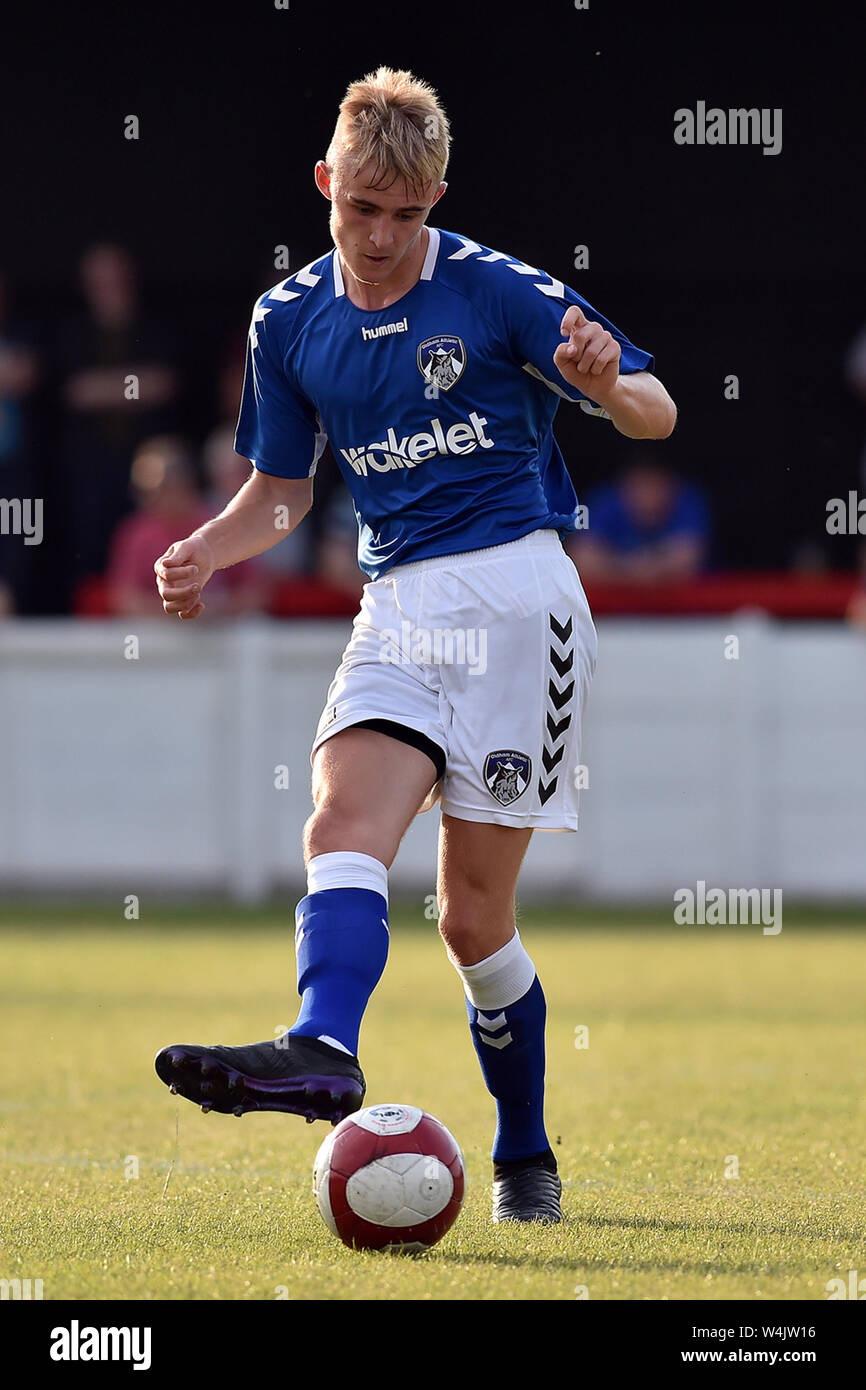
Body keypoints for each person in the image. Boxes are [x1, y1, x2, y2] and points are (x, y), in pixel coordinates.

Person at [152, 67, 676, 1225]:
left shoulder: (494, 291)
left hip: (515, 603)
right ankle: (322, 1046)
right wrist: (206, 546)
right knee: (338, 818)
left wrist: (604, 386)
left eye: (408, 213)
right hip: (394, 607)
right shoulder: (287, 321)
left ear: (436, 196)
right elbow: (282, 494)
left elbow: (657, 408)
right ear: (324, 184)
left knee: (471, 920)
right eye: (361, 210)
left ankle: (523, 1156)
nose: (383, 237)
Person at [56, 243, 179, 587]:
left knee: (153, 543)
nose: (109, 291)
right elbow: (74, 391)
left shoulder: (154, 327)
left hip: (148, 466)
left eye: (116, 281)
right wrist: (135, 385)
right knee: (89, 542)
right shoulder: (73, 333)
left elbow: (163, 385)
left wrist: (101, 388)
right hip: (90, 465)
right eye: (99, 283)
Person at [106, 435, 265, 617]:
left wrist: (215, 610)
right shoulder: (136, 534)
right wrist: (175, 612)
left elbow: (256, 591)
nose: (168, 497)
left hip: (221, 632)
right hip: (159, 634)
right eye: (157, 490)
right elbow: (124, 598)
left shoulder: (220, 522)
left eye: (174, 485)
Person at [566, 455, 708, 582]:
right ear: (625, 485)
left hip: (679, 604)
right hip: (613, 603)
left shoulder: (688, 500)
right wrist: (628, 568)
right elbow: (581, 557)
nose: (648, 497)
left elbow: (688, 558)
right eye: (641, 486)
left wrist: (646, 569)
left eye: (656, 486)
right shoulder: (603, 500)